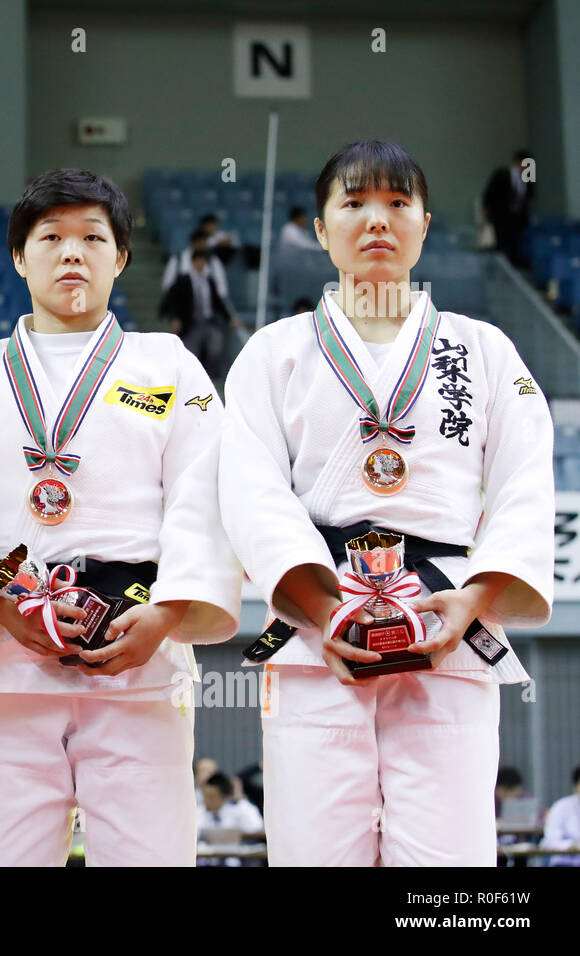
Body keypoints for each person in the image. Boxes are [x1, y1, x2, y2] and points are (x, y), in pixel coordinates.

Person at [219, 140, 554, 866]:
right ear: (318, 228)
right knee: (315, 852)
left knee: (449, 860)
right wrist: (318, 604)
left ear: (426, 225)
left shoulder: (483, 350)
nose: (377, 219)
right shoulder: (273, 352)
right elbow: (250, 489)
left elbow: (527, 480)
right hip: (318, 633)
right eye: (355, 202)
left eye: (398, 203)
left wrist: (476, 599)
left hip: (447, 626)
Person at [0, 168, 242, 867]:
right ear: (18, 255)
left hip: (139, 655)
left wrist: (166, 615)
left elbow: (206, 498)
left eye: (92, 237)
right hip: (4, 657)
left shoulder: (167, 367)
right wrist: (2, 609)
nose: (72, 253)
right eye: (51, 237)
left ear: (121, 257)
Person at [160, 248, 239, 381]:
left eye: (204, 261)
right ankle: (189, 380)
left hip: (207, 321)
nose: (202, 264)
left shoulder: (209, 281)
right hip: (190, 322)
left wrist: (230, 318)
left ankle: (211, 378)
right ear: (194, 261)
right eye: (200, 260)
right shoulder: (183, 280)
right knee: (192, 352)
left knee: (215, 345)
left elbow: (218, 302)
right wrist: (175, 318)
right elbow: (174, 299)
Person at [481, 149, 533, 268]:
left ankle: (514, 268)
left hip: (518, 219)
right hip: (501, 218)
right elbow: (489, 194)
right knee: (500, 245)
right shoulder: (501, 174)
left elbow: (529, 197)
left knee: (515, 247)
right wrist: (486, 211)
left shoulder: (528, 179)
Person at [161, 227, 229, 299]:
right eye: (200, 242)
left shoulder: (214, 261)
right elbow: (167, 284)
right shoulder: (177, 260)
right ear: (193, 242)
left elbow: (222, 287)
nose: (202, 246)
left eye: (204, 243)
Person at [542, 766, 580, 866]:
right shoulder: (561, 806)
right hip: (567, 860)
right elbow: (551, 840)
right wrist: (572, 845)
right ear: (576, 786)